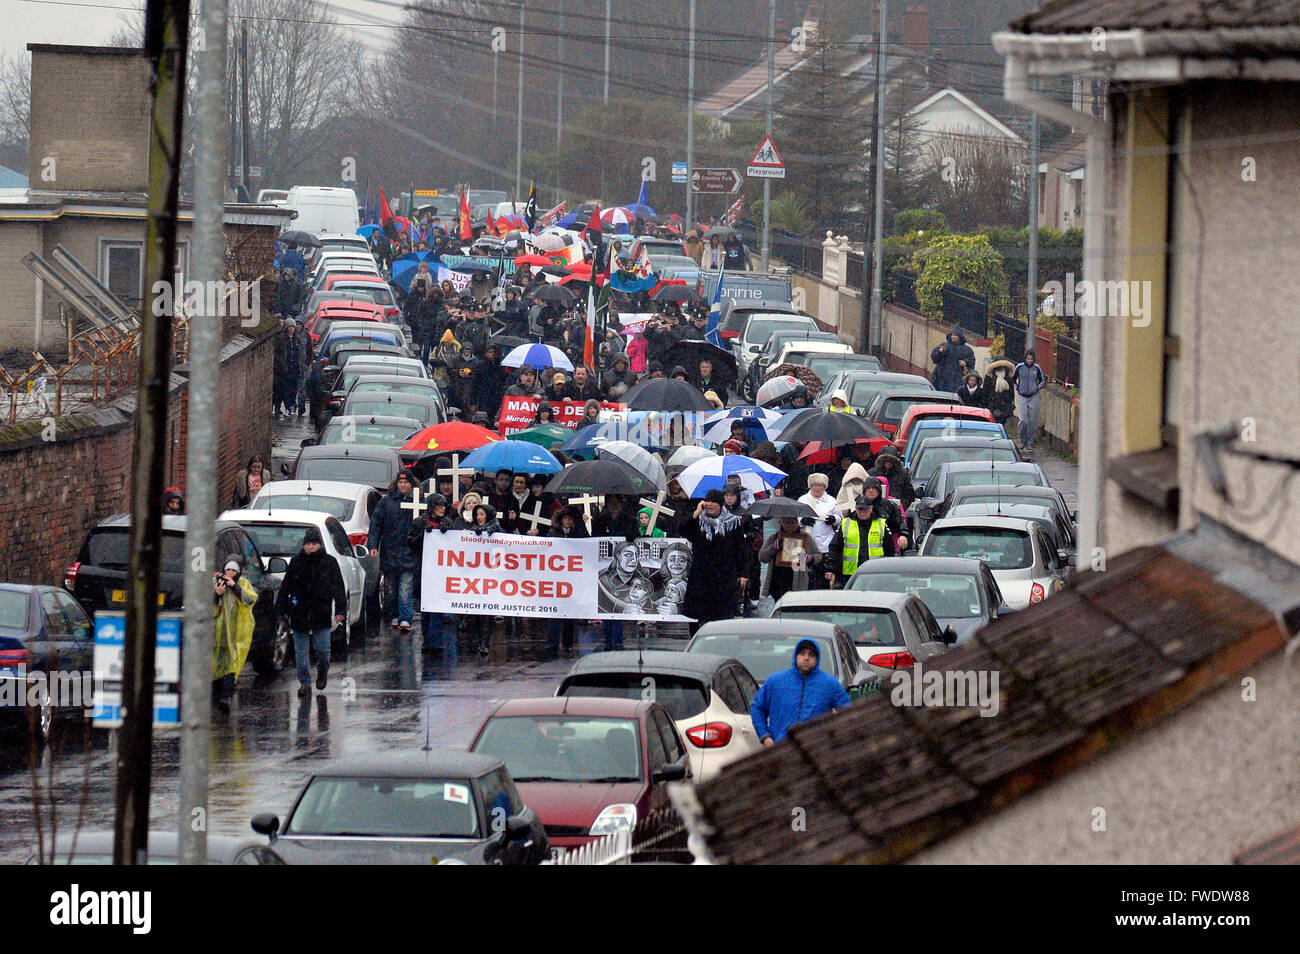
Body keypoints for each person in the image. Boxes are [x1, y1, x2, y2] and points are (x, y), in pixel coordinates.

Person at [276, 527, 346, 697]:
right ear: (304, 545)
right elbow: (286, 587)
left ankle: (322, 672)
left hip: (321, 612)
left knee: (323, 650)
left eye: (314, 544)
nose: (311, 547)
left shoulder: (329, 562)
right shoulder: (296, 562)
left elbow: (338, 587)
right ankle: (305, 683)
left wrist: (340, 610)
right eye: (308, 544)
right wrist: (281, 609)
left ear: (320, 545)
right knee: (301, 652)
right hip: (299, 612)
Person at [750, 639, 852, 746]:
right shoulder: (775, 682)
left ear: (817, 659)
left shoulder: (830, 684)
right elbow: (757, 708)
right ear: (795, 656)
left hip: (816, 751)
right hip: (781, 749)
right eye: (802, 653)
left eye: (811, 655)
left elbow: (847, 711)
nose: (806, 658)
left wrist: (834, 738)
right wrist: (765, 736)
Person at [681, 489, 750, 633]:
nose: (710, 504)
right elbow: (682, 530)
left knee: (722, 617)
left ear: (720, 504)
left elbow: (741, 550)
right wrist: (696, 513)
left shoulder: (733, 522)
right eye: (708, 501)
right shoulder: (698, 521)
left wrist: (743, 574)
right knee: (698, 615)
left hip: (724, 576)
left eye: (713, 502)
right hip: (701, 576)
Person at [367, 470, 421, 632]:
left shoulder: (418, 501)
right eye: (401, 482)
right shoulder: (387, 502)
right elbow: (376, 524)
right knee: (391, 588)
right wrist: (373, 545)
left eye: (406, 482)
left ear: (411, 484)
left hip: (409, 552)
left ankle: (405, 617)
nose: (403, 485)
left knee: (405, 587)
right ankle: (395, 615)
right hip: (390, 552)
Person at [826, 482, 908, 587]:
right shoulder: (845, 523)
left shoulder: (881, 524)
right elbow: (834, 547)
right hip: (850, 575)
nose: (862, 512)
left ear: (871, 509)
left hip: (875, 574)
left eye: (865, 509)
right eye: (860, 509)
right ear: (856, 509)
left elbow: (889, 550)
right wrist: (830, 568)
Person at [409, 493, 454, 654]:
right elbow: (411, 544)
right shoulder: (419, 523)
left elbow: (454, 545)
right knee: (426, 607)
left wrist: (446, 533)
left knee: (437, 606)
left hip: (441, 571)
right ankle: (427, 639)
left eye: (444, 505)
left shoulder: (448, 522)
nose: (442, 508)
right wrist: (424, 534)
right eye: (439, 505)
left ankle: (435, 641)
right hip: (424, 569)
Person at [212, 557, 257, 711]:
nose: (230, 573)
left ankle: (226, 697)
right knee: (216, 666)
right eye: (228, 570)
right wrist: (217, 593)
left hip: (236, 635)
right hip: (217, 634)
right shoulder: (216, 582)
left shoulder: (243, 584)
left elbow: (250, 600)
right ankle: (216, 697)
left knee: (231, 666)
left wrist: (235, 587)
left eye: (233, 571)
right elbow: (206, 604)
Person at [760, 516, 820, 603]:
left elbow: (818, 555)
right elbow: (762, 557)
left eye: (792, 523)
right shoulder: (775, 537)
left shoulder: (805, 537)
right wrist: (773, 548)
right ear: (781, 523)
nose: (790, 526)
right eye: (787, 523)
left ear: (797, 523)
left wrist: (810, 558)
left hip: (798, 579)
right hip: (778, 580)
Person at [797, 473, 839, 587]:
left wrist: (833, 519)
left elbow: (840, 518)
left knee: (823, 577)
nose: (818, 488)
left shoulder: (831, 501)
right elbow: (795, 518)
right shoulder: (802, 500)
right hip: (804, 546)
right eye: (815, 485)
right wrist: (802, 520)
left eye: (821, 485)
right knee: (803, 574)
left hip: (825, 546)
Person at [1013, 349, 1046, 450]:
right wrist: (1017, 388)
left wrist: (1036, 388)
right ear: (1025, 359)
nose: (1029, 361)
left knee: (1032, 420)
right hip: (1022, 396)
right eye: (1028, 359)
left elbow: (1042, 380)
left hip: (1033, 396)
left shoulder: (1037, 368)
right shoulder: (1019, 367)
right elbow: (1014, 379)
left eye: (1031, 359)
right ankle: (1022, 440)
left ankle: (1030, 441)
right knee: (1023, 420)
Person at [930, 328, 976, 393]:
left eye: (955, 335)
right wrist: (939, 352)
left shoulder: (967, 350)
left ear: (960, 336)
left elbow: (972, 363)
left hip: (957, 380)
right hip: (942, 379)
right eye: (952, 335)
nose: (953, 337)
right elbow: (934, 359)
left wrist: (965, 363)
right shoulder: (944, 346)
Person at [984, 358, 1017, 429]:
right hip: (993, 403)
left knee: (1002, 424)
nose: (1001, 367)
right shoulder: (990, 376)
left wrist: (1010, 403)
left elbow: (1011, 392)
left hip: (1004, 403)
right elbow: (986, 390)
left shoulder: (1008, 376)